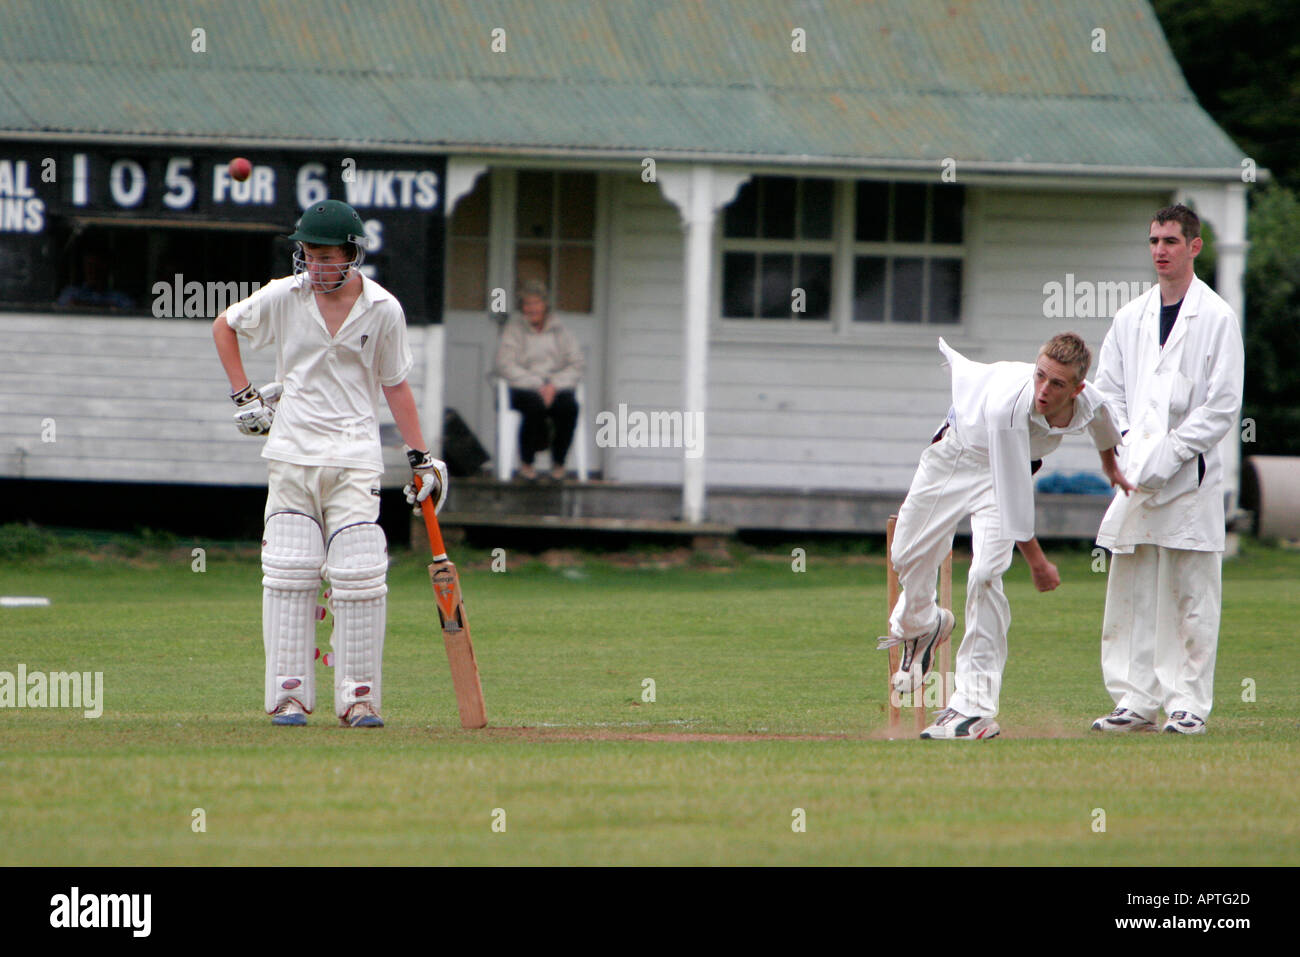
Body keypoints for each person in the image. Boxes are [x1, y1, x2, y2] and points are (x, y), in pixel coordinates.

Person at [211, 199, 448, 728]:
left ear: (352, 254)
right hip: (293, 453)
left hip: (355, 457)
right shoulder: (284, 296)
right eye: (308, 254)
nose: (315, 266)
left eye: (325, 256)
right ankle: (289, 696)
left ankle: (359, 698)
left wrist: (421, 457)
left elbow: (395, 384)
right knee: (290, 571)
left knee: (360, 573)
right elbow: (224, 326)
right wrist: (244, 396)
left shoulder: (383, 308)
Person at [878, 334, 1129, 740]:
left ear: (1078, 388)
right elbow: (1017, 503)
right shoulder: (1008, 409)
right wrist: (1039, 563)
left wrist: (1111, 469)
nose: (1044, 391)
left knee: (985, 575)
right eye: (1040, 376)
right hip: (957, 455)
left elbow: (1103, 427)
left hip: (1002, 476)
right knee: (906, 554)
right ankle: (924, 624)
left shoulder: (1090, 400)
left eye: (1058, 384)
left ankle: (972, 709)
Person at [1090, 204, 1244, 735]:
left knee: (1190, 593)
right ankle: (1134, 701)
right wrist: (1130, 443)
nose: (1160, 250)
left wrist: (1171, 451)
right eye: (1154, 240)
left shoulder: (1218, 318)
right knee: (1130, 588)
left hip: (1189, 480)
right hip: (1135, 474)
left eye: (1172, 241)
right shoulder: (1130, 317)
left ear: (1194, 247)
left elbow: (1222, 407)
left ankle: (1187, 705)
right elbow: (1107, 390)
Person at [494, 280, 584, 480]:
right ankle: (527, 463)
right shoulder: (513, 329)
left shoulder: (561, 331)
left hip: (555, 386)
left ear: (545, 305)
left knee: (569, 407)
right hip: (524, 387)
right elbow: (505, 364)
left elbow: (576, 364)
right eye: (527, 304)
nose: (532, 308)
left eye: (536, 303)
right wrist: (538, 385)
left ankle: (559, 463)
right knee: (534, 407)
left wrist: (554, 385)